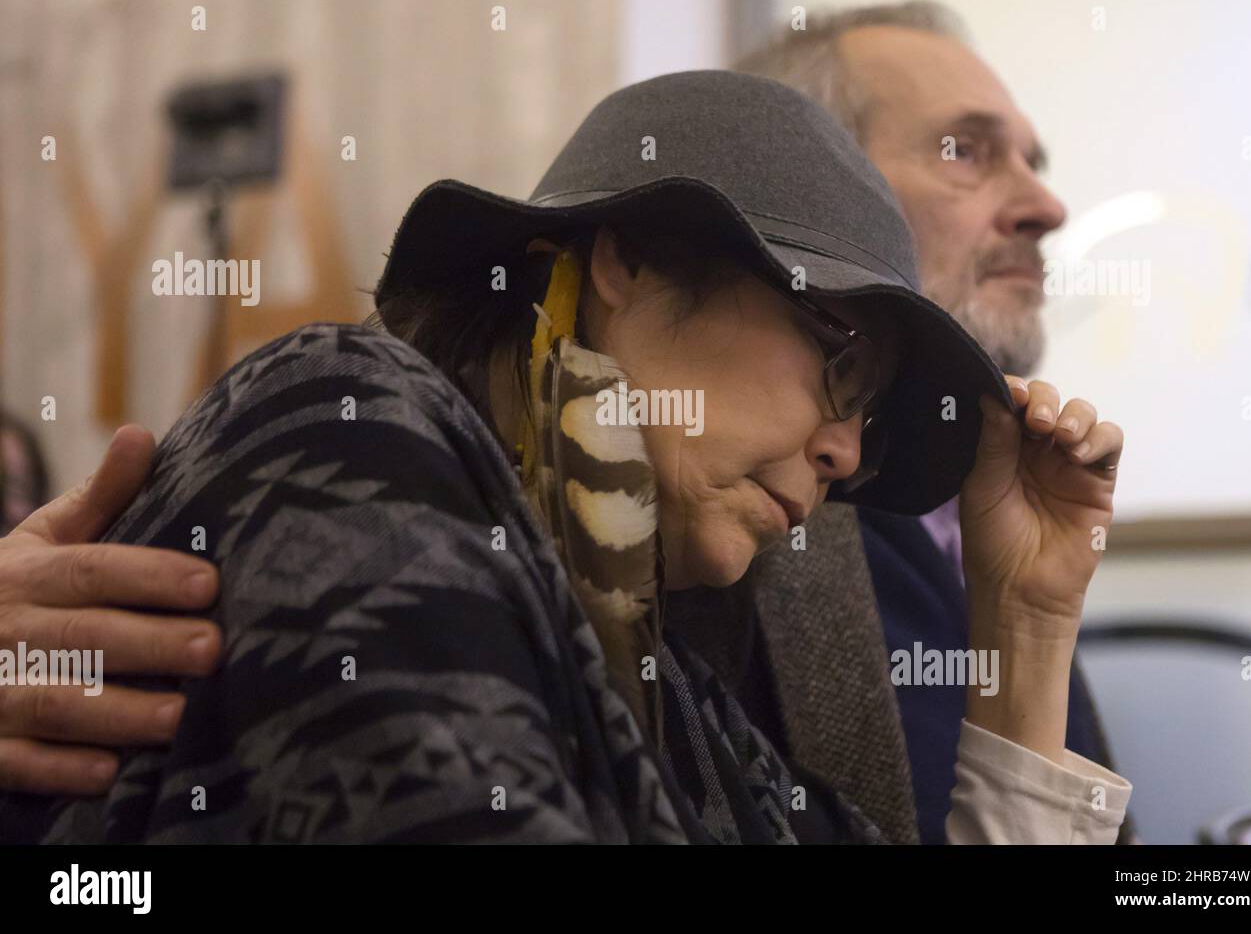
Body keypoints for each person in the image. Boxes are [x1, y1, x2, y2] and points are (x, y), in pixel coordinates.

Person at [1, 70, 1127, 843]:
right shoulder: (351, 415)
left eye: (871, 420)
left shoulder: (649, 671)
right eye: (838, 359)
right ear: (625, 259)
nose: (843, 453)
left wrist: (1023, 630)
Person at [735, 0, 1128, 843]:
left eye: (1032, 159)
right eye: (969, 152)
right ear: (817, 200)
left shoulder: (990, 514)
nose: (1047, 207)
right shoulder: (745, 524)